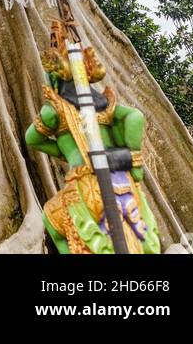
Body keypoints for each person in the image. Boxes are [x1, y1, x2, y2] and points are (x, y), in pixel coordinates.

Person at [25, 19, 159, 254]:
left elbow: (31, 139)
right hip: (124, 178)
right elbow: (136, 117)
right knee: (137, 232)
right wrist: (132, 158)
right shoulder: (105, 103)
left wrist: (64, 152)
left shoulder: (55, 110)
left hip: (85, 181)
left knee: (51, 216)